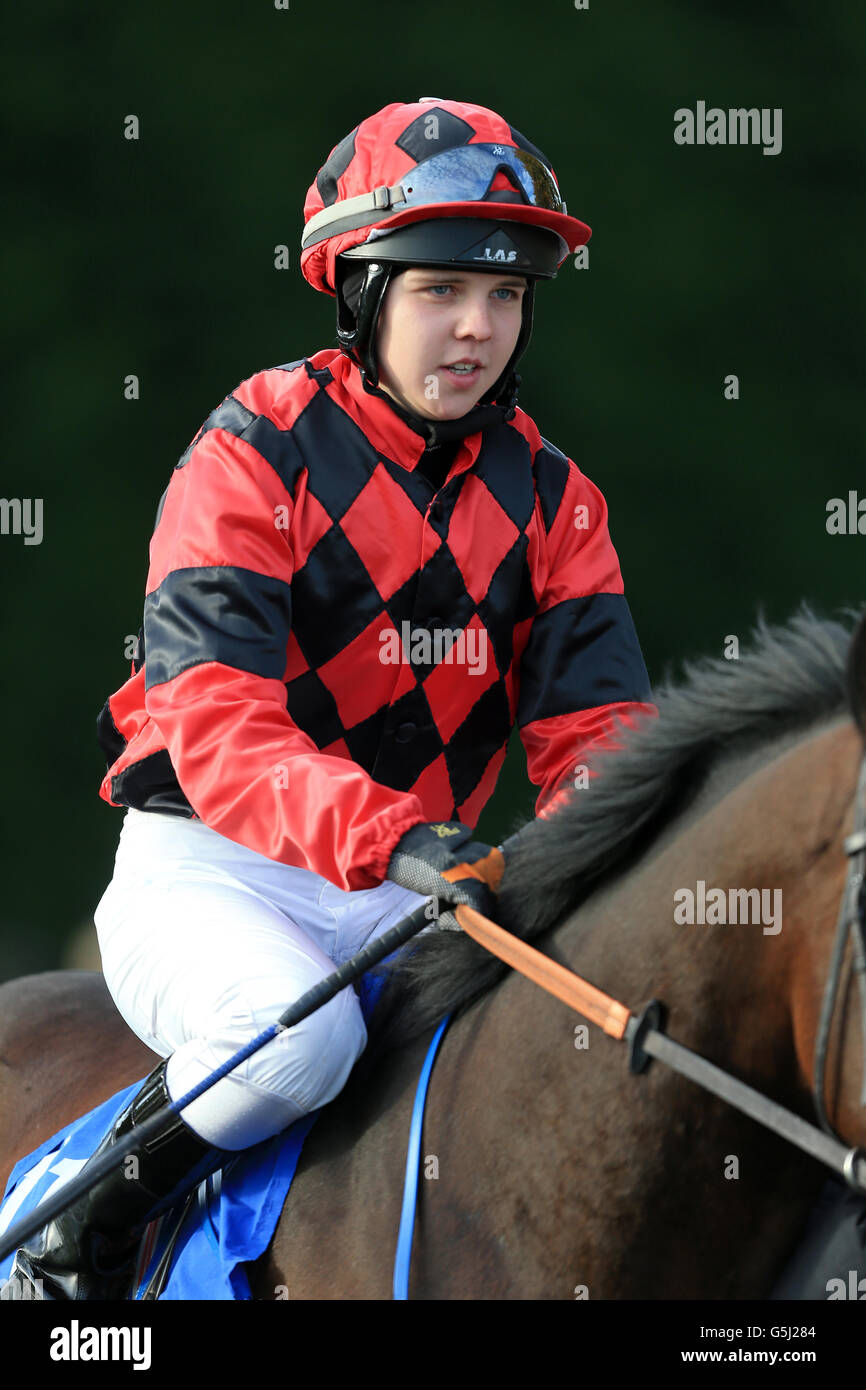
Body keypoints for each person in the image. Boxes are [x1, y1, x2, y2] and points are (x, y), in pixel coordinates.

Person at [9, 97, 657, 1299]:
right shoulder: (250, 451)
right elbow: (220, 729)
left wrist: (601, 867)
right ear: (357, 291)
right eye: (437, 292)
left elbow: (598, 743)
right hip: (211, 868)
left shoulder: (558, 501)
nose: (475, 329)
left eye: (505, 296)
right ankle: (70, 1226)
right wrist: (400, 834)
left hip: (410, 895)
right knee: (300, 1041)